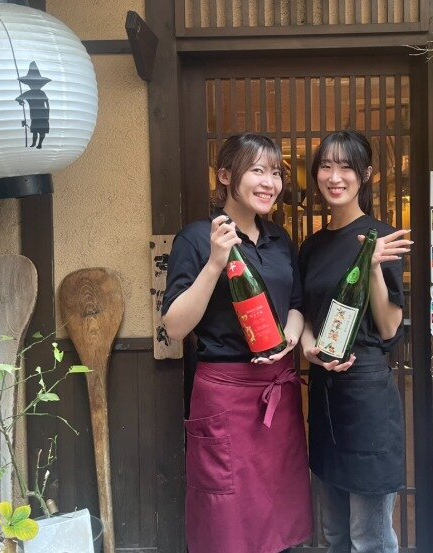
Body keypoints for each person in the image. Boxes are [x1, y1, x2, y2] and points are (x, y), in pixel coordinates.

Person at [161, 133, 313, 553]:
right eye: (257, 170)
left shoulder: (279, 238)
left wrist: (289, 338)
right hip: (225, 397)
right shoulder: (196, 238)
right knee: (226, 517)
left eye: (276, 173)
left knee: (277, 514)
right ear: (226, 176)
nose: (270, 182)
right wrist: (215, 262)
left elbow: (296, 305)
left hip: (278, 392)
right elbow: (175, 327)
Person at [298, 130, 412, 553]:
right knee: (334, 535)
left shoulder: (382, 237)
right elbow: (305, 314)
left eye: (346, 167)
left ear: (365, 174)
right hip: (325, 391)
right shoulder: (312, 247)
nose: (335, 176)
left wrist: (374, 266)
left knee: (370, 537)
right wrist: (307, 347)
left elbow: (389, 329)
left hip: (366, 394)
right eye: (326, 166)